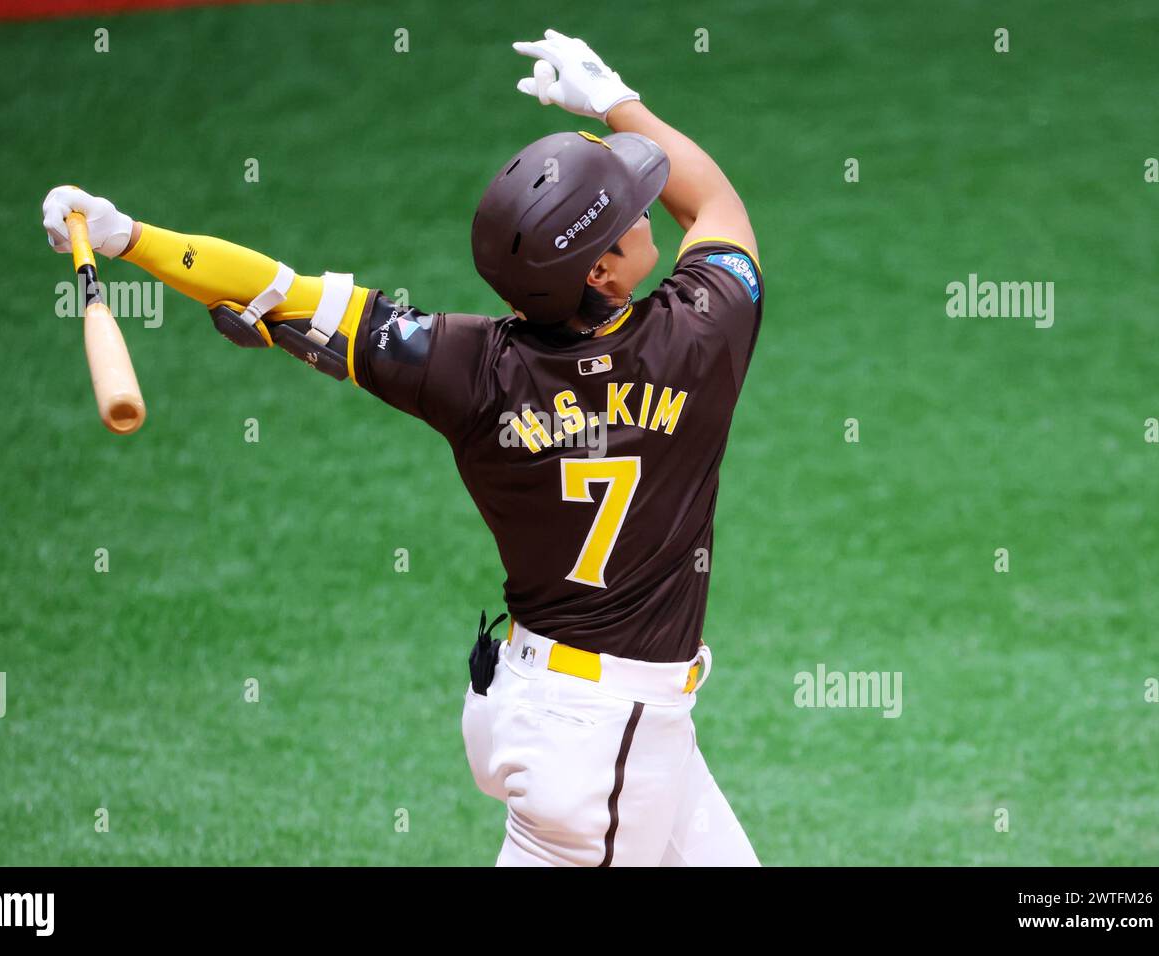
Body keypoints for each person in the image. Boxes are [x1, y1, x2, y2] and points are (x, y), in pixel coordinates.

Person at [42, 28, 763, 866]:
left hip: (552, 707)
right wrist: (615, 100)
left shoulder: (461, 364)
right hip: (602, 743)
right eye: (632, 214)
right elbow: (716, 207)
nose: (648, 210)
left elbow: (274, 289)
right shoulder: (697, 339)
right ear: (602, 273)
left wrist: (127, 235)